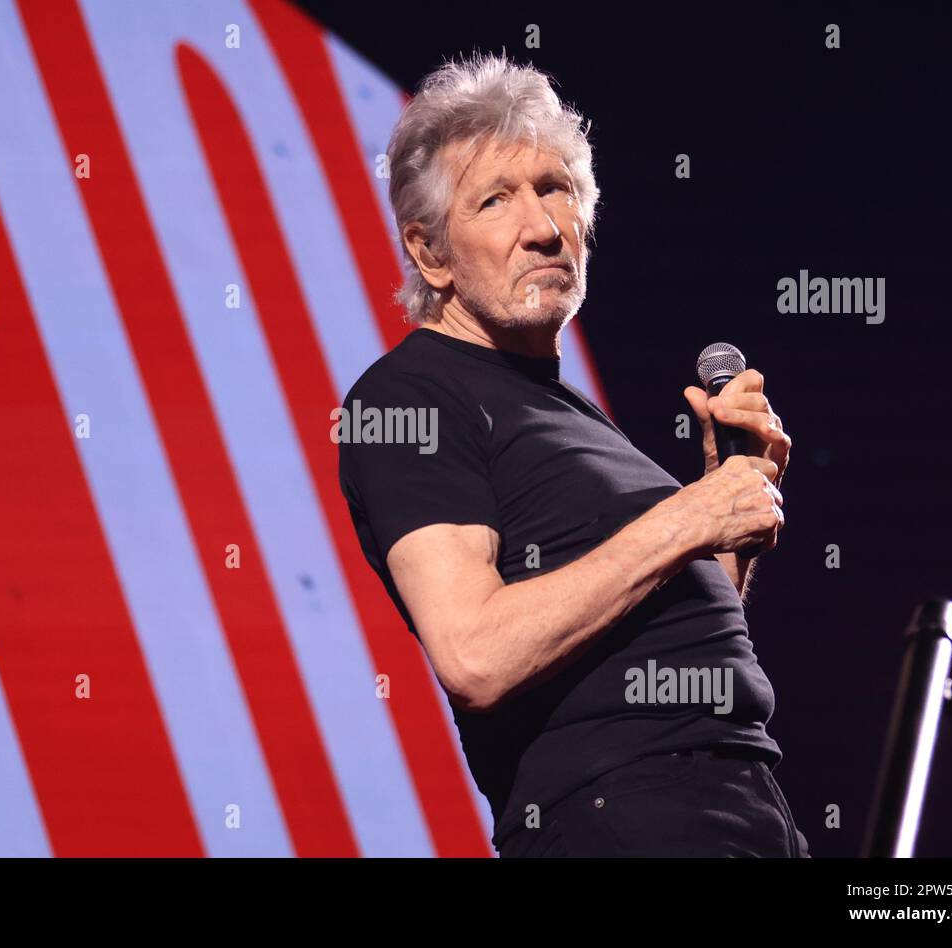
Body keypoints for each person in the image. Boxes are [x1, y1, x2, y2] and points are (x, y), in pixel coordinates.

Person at [336, 51, 810, 857]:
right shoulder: (410, 396)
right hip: (619, 821)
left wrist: (728, 505)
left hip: (744, 805)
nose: (545, 227)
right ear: (431, 255)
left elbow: (663, 628)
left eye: (556, 189)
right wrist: (688, 517)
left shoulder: (565, 413)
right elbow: (477, 655)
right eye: (496, 200)